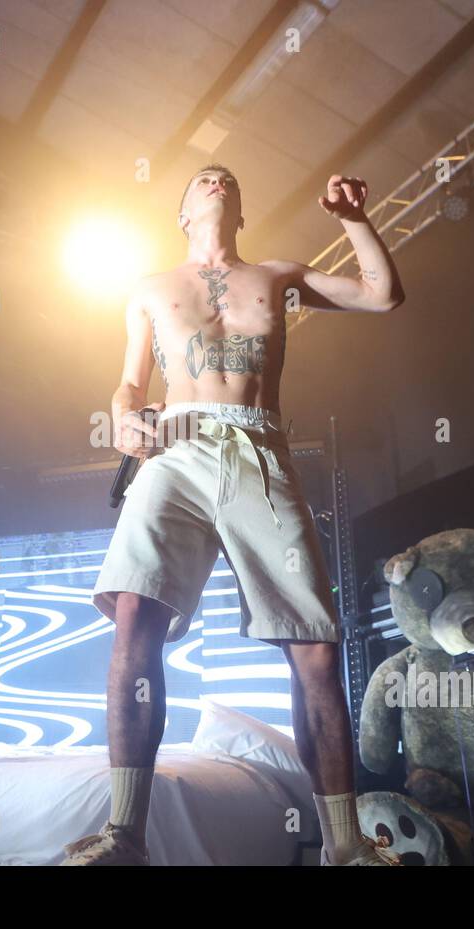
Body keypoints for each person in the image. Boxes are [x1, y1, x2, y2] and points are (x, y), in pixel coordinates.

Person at [63, 165, 405, 866]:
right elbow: (129, 384)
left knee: (314, 643)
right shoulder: (150, 290)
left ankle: (344, 845)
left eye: (228, 178)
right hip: (177, 445)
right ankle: (124, 835)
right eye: (203, 178)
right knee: (134, 613)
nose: (217, 179)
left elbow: (382, 295)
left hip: (258, 447)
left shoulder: (279, 273)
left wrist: (351, 218)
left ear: (241, 211)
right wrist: (125, 418)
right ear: (183, 211)